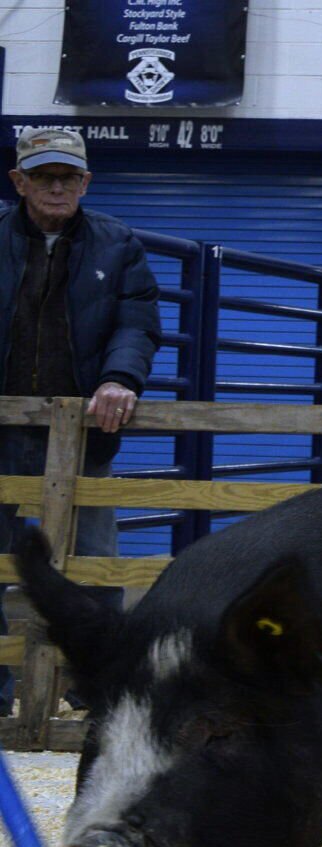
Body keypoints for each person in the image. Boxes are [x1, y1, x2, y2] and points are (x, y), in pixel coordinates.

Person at [1, 127, 159, 714]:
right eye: (44, 176)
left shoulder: (119, 246)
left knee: (97, 563)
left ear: (87, 181)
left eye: (69, 176)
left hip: (84, 435)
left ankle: (94, 693)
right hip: (1, 429)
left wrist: (120, 379)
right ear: (19, 182)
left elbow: (136, 322)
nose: (58, 186)